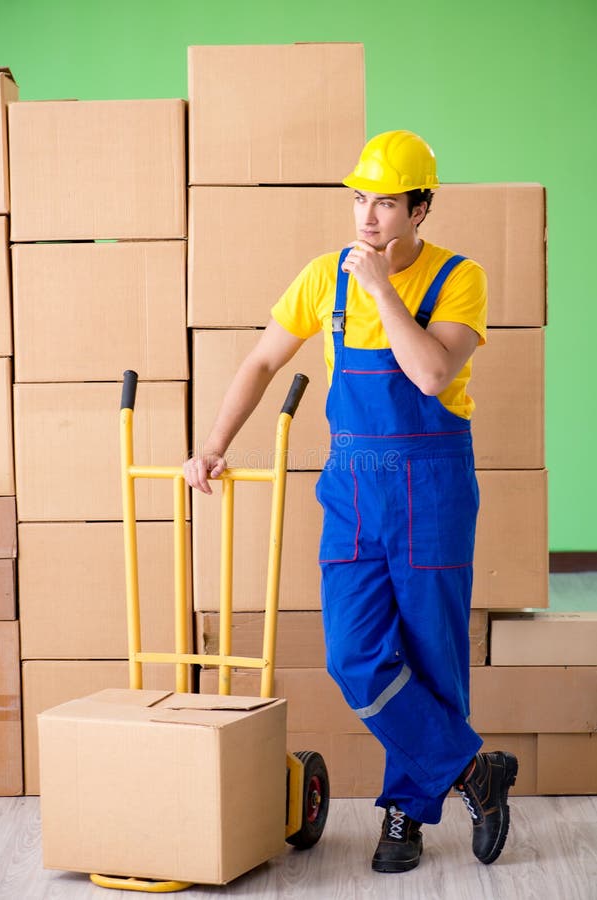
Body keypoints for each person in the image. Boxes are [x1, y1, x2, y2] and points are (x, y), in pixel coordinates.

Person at [184, 130, 518, 873]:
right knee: (353, 655)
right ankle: (470, 769)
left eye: (386, 203)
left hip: (430, 486)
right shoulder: (320, 277)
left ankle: (404, 811)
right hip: (352, 488)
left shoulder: (459, 279)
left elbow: (431, 374)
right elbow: (263, 358)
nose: (366, 218)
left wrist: (380, 291)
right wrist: (213, 443)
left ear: (420, 209)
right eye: (359, 199)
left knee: (432, 656)